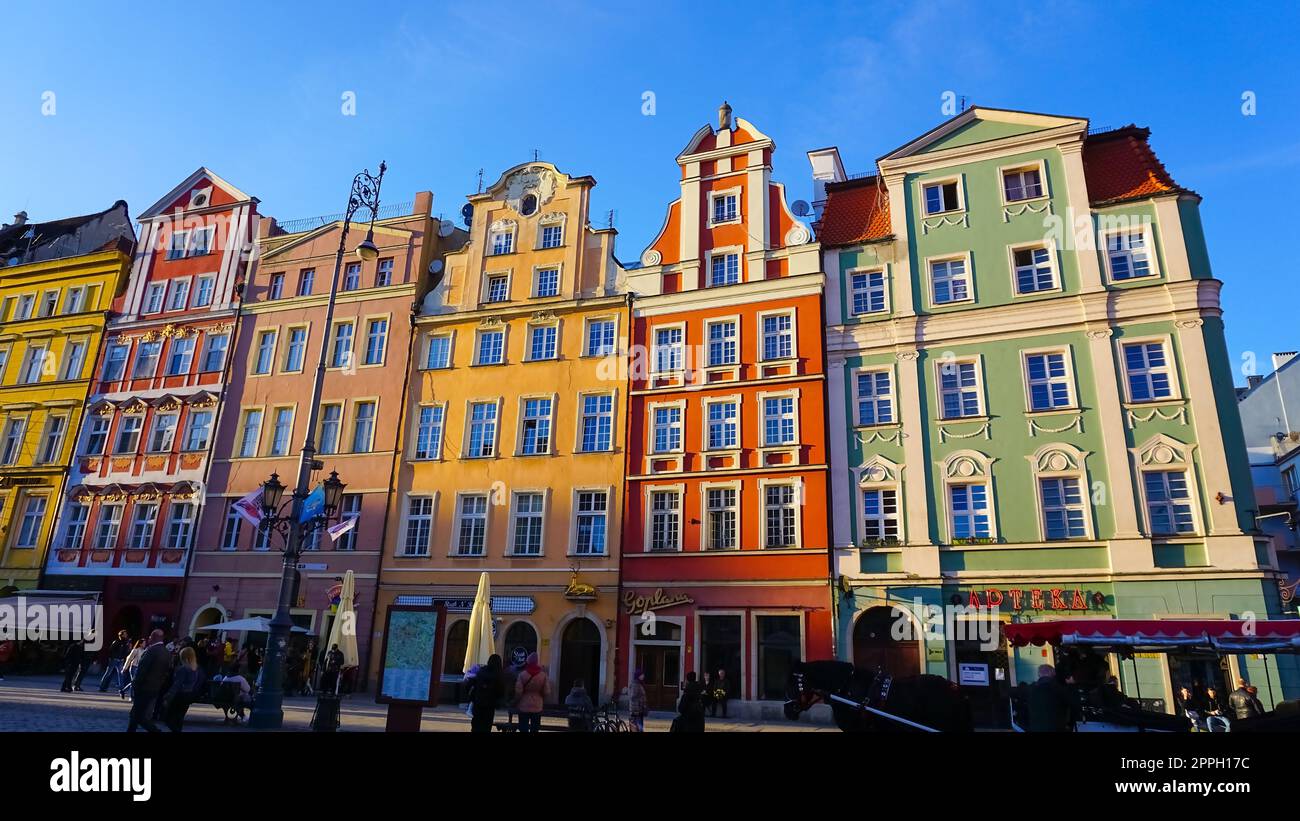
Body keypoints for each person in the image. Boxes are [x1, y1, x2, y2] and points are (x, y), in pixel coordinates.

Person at [127, 630, 168, 733]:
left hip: (144, 687)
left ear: (154, 637)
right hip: (155, 687)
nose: (149, 638)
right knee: (135, 714)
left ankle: (156, 731)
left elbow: (142, 670)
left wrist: (135, 684)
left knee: (138, 715)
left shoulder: (151, 651)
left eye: (150, 636)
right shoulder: (166, 652)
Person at [163, 647, 203, 732]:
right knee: (179, 718)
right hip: (188, 694)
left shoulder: (183, 669)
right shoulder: (195, 669)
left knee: (168, 718)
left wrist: (168, 696)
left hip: (179, 695)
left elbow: (177, 684)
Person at [1026, 664, 1070, 732]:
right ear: (1052, 673)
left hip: (1036, 727)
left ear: (1039, 674)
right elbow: (1068, 707)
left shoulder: (1031, 689)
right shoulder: (1060, 688)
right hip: (1057, 727)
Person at [514, 652, 550, 733]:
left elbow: (518, 692)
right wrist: (541, 696)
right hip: (538, 705)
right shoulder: (543, 675)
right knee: (535, 728)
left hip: (524, 704)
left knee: (523, 728)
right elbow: (547, 691)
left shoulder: (522, 674)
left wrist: (516, 700)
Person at [468, 654, 503, 733]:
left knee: (476, 725)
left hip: (478, 702)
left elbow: (471, 683)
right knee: (486, 726)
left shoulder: (481, 671)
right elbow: (500, 691)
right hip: (490, 704)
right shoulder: (497, 674)